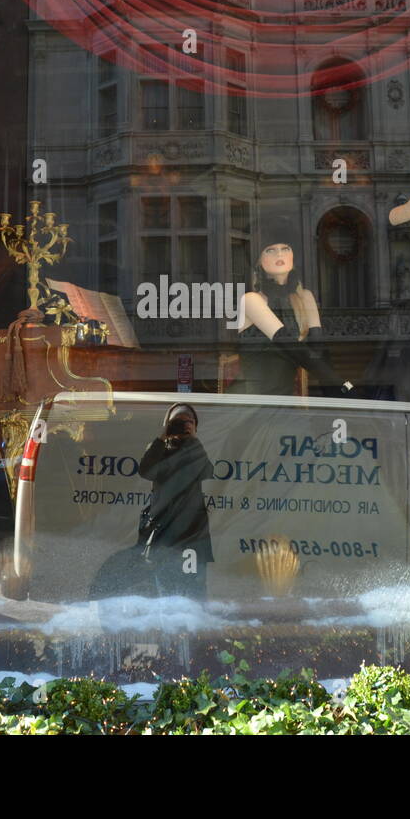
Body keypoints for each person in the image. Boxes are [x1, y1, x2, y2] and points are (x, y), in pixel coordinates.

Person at [234, 221, 355, 396]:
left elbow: (320, 354)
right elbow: (292, 347)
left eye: (285, 248)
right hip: (256, 406)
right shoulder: (251, 300)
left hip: (288, 404)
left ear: (293, 256)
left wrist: (336, 399)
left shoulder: (304, 298)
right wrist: (344, 386)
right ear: (259, 261)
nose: (279, 254)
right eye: (270, 250)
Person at [135, 403, 215, 600]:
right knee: (163, 588)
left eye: (189, 422)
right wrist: (163, 437)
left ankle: (195, 627)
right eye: (178, 422)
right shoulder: (159, 449)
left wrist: (192, 440)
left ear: (196, 426)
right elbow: (146, 471)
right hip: (163, 528)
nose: (184, 425)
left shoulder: (195, 448)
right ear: (167, 425)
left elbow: (207, 471)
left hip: (191, 530)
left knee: (194, 590)